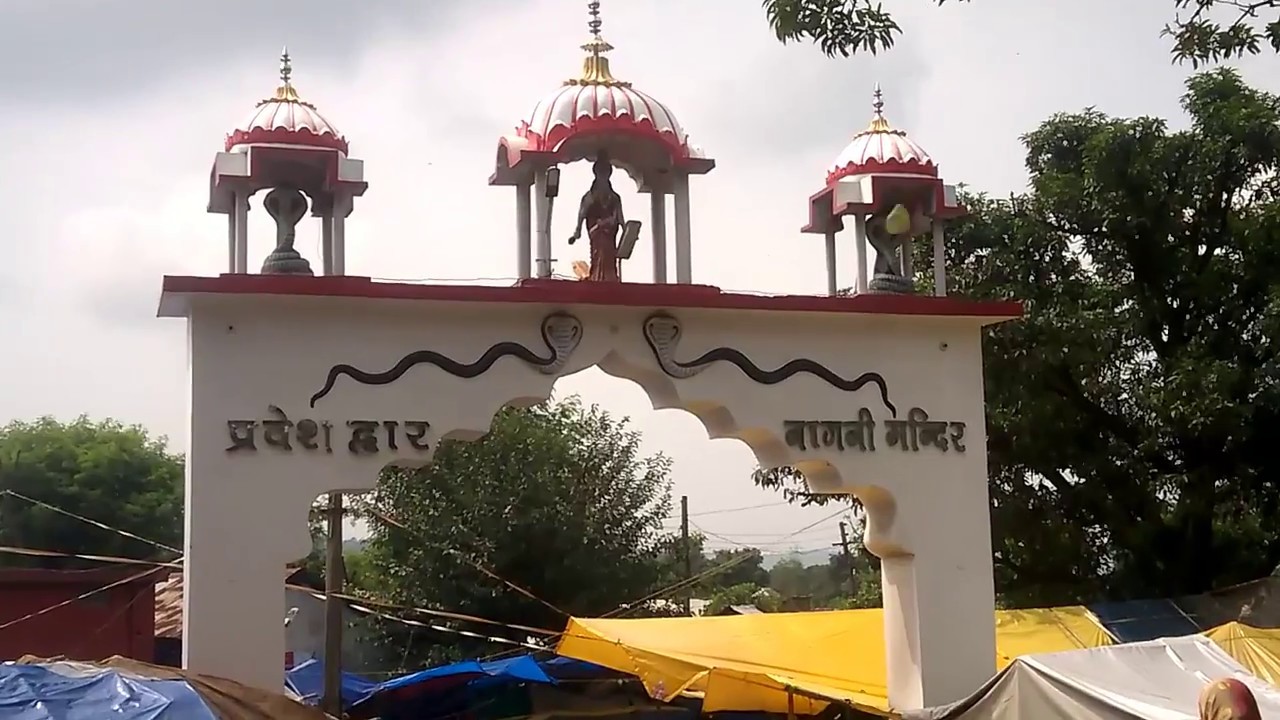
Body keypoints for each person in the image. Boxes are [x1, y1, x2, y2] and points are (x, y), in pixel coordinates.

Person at [569, 151, 625, 282]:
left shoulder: (615, 197)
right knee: (599, 252)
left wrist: (626, 232)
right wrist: (577, 232)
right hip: (597, 231)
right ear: (596, 173)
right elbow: (582, 213)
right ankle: (597, 276)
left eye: (605, 172)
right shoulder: (590, 196)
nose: (603, 176)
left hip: (610, 232)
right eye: (601, 172)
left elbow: (621, 218)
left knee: (609, 254)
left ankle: (610, 277)